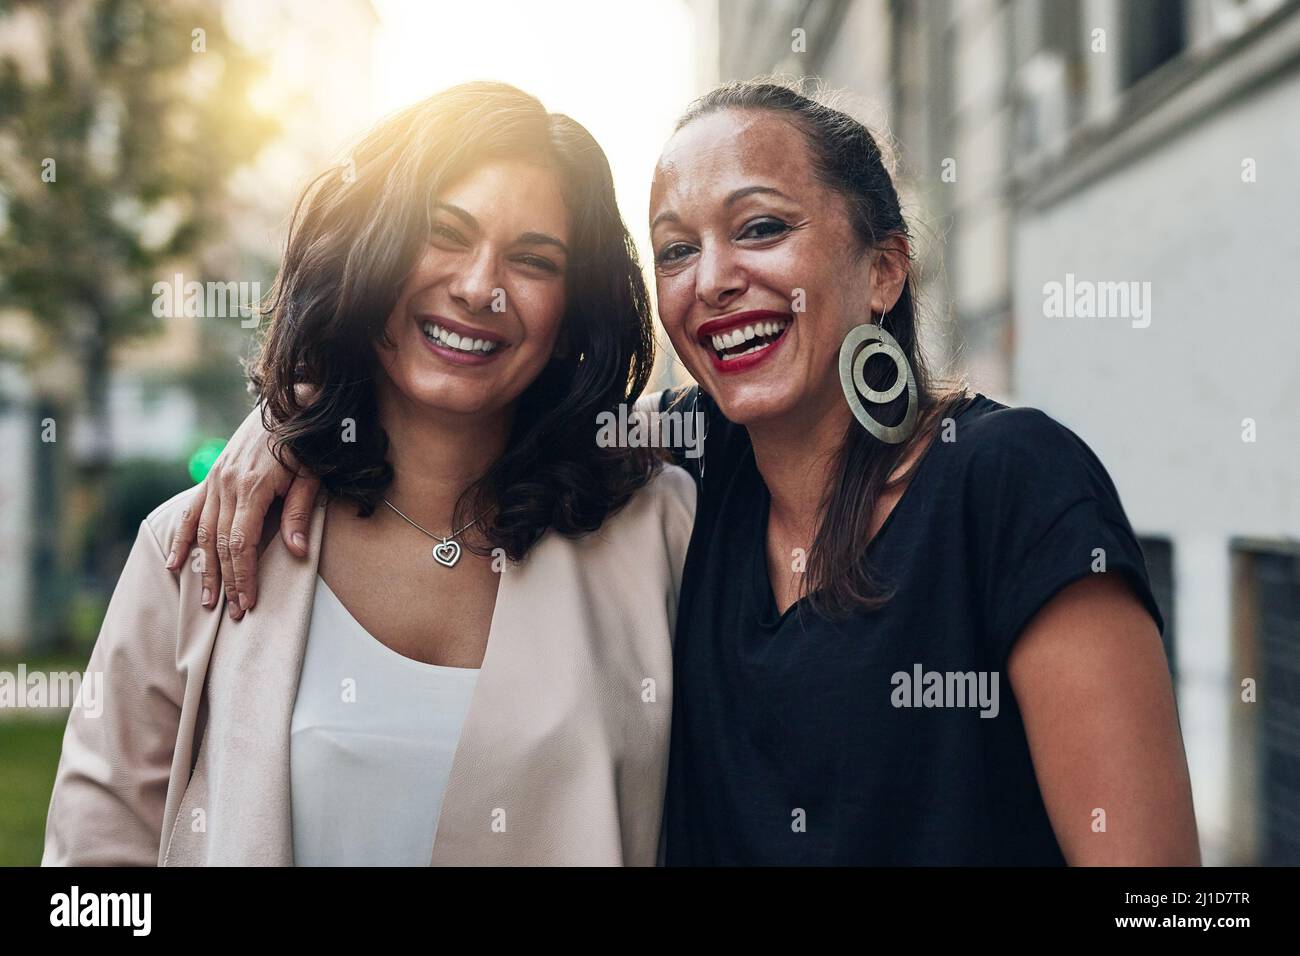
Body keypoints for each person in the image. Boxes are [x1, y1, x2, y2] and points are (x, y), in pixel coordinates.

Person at [172, 80, 1201, 865]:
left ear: (882, 269)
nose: (713, 280)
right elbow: (472, 402)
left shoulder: (1011, 483)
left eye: (761, 227)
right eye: (674, 249)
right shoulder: (681, 477)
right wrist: (291, 424)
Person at [43, 82, 694, 867]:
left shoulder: (661, 533)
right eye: (443, 233)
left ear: (571, 314)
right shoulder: (194, 545)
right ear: (372, 254)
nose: (480, 285)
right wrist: (287, 417)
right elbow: (94, 864)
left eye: (533, 260)